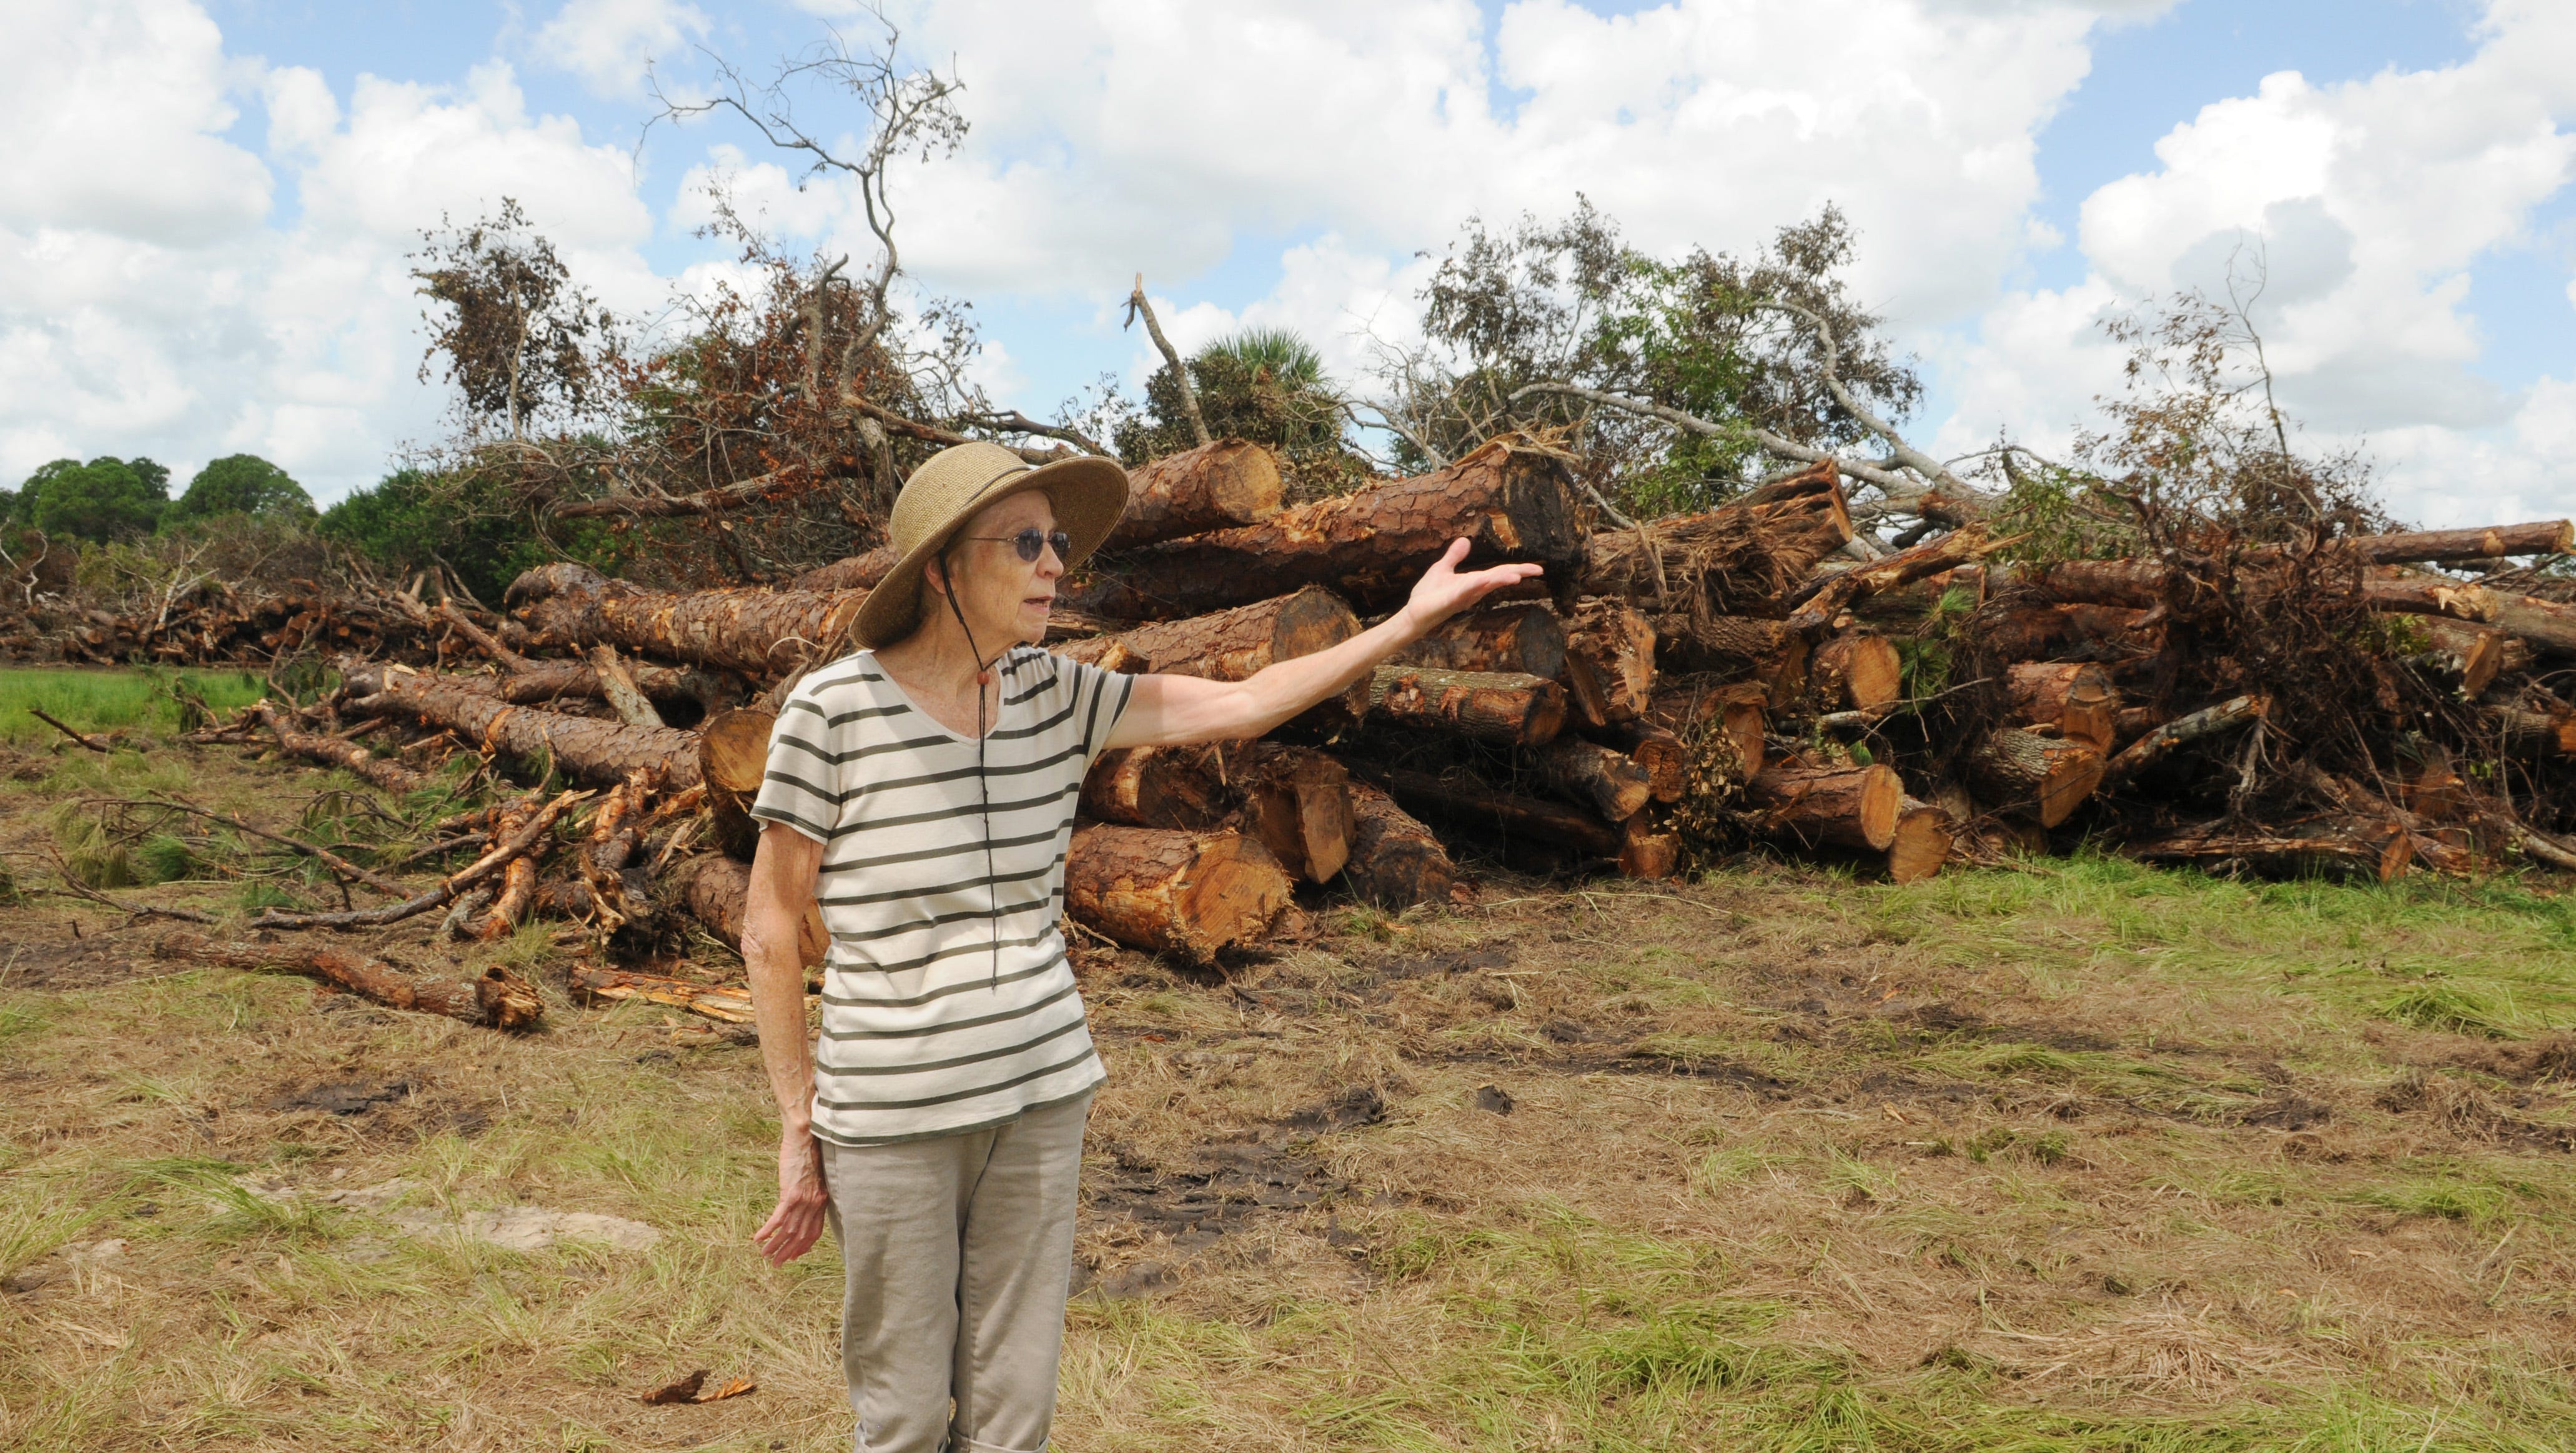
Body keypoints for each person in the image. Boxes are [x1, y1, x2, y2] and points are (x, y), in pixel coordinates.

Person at [739, 439, 1539, 1452]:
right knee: (901, 1415)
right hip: (893, 1115)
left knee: (1013, 1411)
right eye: (1025, 542)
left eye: (1058, 541)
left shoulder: (1059, 694)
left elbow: (1250, 700)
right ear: (943, 566)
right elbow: (769, 924)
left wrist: (1407, 623)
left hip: (1041, 1095)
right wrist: (796, 1122)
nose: (1055, 565)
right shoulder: (833, 711)